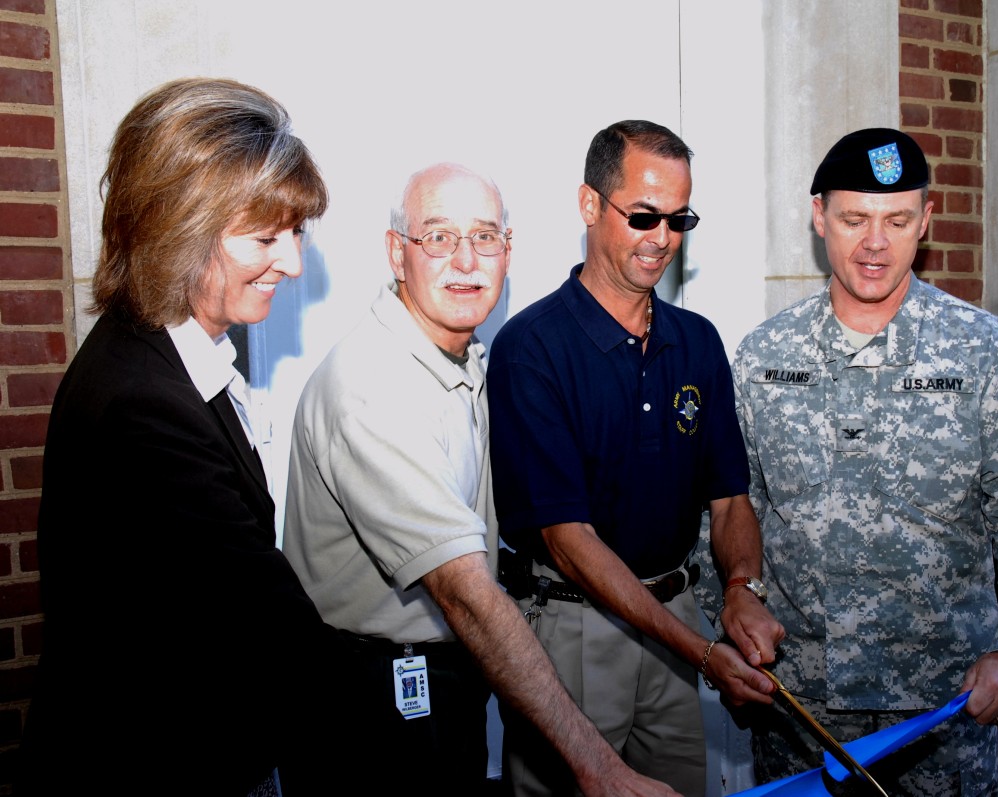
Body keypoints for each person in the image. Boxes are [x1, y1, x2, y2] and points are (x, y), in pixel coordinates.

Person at [18, 77, 391, 796]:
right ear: (178, 230)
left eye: (297, 232)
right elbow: (269, 627)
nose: (292, 262)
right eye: (265, 237)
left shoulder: (163, 351)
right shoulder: (141, 405)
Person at [282, 162, 679, 797]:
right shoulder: (374, 388)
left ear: (508, 250)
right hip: (373, 701)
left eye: (485, 237)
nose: (465, 260)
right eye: (437, 237)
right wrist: (599, 766)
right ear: (396, 253)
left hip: (447, 677)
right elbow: (465, 592)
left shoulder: (463, 356)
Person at [733, 127, 998, 795]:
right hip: (802, 722)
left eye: (897, 220)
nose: (875, 242)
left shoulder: (982, 352)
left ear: (926, 219)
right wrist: (729, 618)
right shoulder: (763, 358)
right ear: (819, 216)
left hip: (944, 721)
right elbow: (726, 511)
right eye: (854, 218)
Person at [487, 120, 785, 797]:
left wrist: (741, 587)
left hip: (675, 622)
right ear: (591, 204)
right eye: (643, 215)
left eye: (679, 219)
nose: (662, 239)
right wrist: (705, 654)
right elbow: (568, 541)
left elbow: (730, 498)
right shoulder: (531, 347)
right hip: (573, 628)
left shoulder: (697, 341)